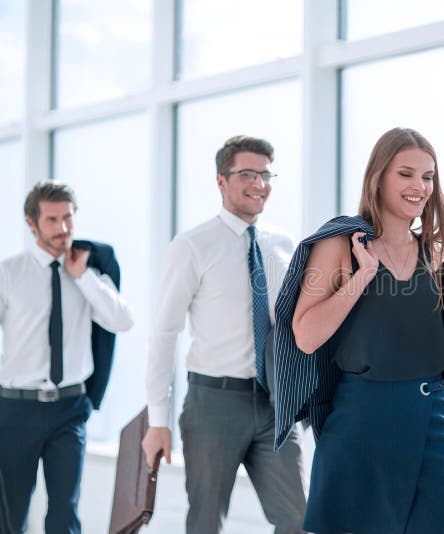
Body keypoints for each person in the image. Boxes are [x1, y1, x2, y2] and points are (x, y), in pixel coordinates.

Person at [273, 127, 444, 533]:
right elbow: (305, 335)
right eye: (406, 174)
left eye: (428, 177)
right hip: (363, 421)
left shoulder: (430, 251)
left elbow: (420, 335)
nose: (420, 186)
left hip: (433, 417)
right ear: (378, 177)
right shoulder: (341, 244)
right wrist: (364, 276)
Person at [141, 135, 306, 534]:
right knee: (205, 522)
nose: (259, 184)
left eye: (266, 174)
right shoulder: (192, 246)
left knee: (300, 519)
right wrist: (157, 420)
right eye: (247, 173)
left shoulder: (285, 245)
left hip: (276, 404)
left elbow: (298, 325)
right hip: (213, 403)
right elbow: (165, 332)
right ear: (221, 181)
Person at [0, 181, 134, 533]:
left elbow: (122, 320)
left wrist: (84, 278)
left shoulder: (88, 270)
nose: (62, 229)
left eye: (68, 218)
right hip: (17, 408)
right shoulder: (9, 274)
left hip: (69, 408)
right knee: (11, 513)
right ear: (32, 223)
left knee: (65, 512)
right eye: (52, 220)